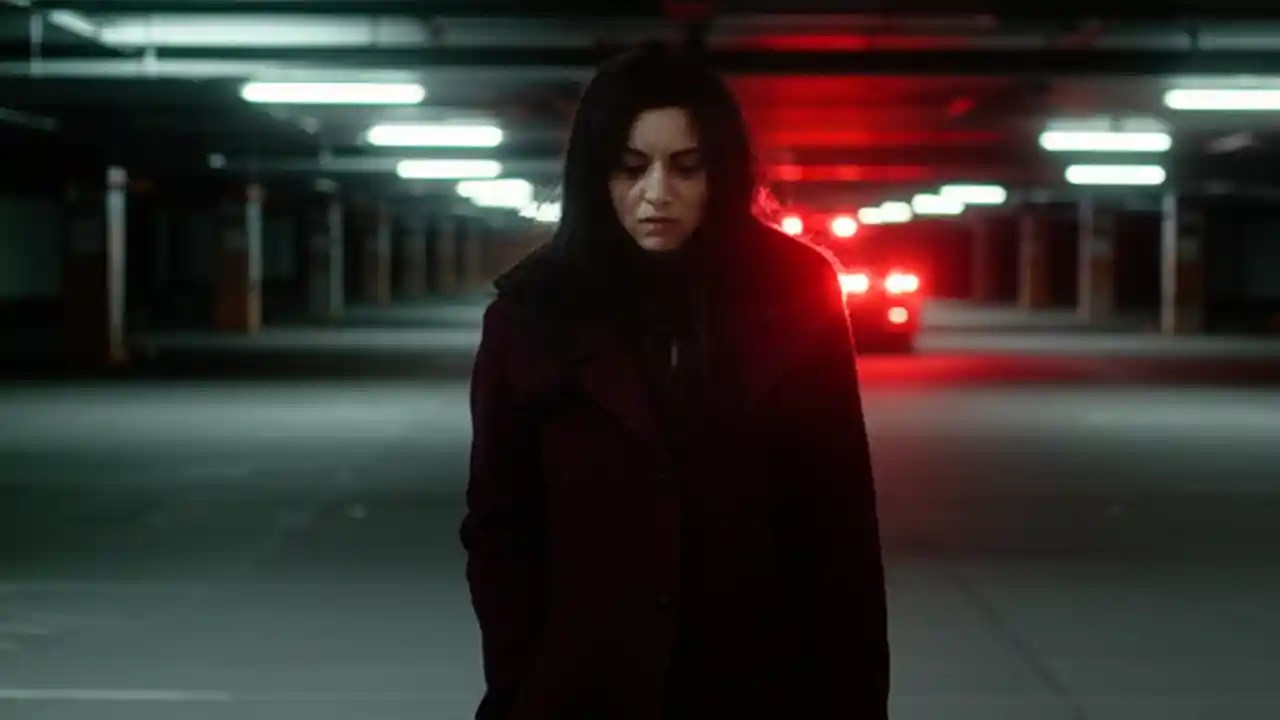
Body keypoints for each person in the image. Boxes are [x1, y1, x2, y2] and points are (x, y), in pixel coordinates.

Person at [460, 43, 888, 720]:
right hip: (583, 688)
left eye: (686, 168)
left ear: (723, 173)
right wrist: (521, 678)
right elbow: (500, 527)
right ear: (594, 174)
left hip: (756, 686)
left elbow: (839, 527)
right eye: (631, 169)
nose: (657, 194)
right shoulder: (530, 314)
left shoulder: (795, 292)